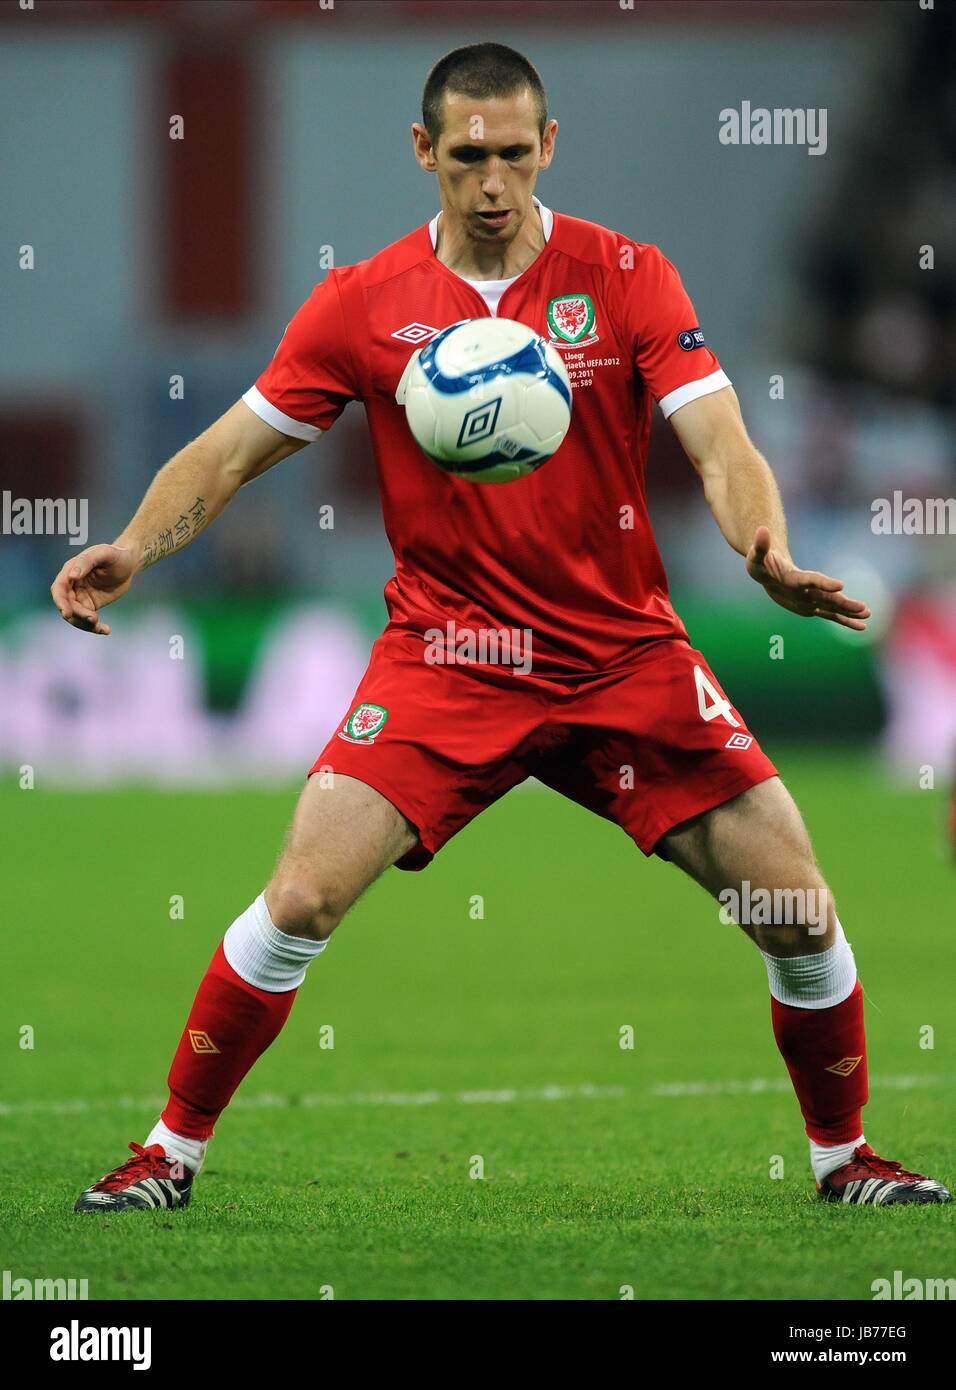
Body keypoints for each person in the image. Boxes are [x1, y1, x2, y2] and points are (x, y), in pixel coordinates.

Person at [52, 43, 949, 1212]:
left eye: (512, 155)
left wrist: (761, 548)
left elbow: (717, 438)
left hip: (620, 653)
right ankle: (164, 1156)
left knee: (798, 910)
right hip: (446, 657)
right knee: (302, 897)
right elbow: (229, 451)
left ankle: (846, 1163)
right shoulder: (360, 304)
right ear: (423, 151)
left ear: (547, 147)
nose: (490, 182)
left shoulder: (623, 277)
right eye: (465, 156)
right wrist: (134, 545)